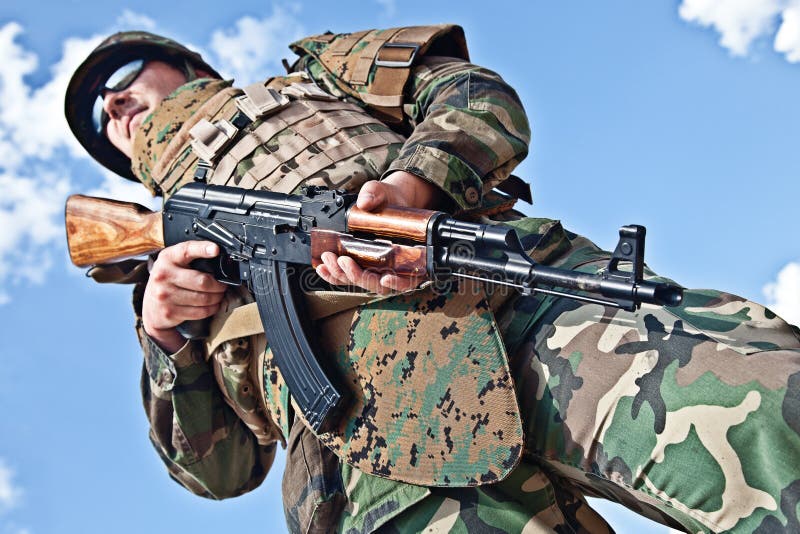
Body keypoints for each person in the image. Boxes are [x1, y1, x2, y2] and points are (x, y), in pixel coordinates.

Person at [65, 27, 800, 533]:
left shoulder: (314, 76)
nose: (114, 106)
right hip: (359, 451)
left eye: (122, 79)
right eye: (102, 117)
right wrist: (168, 338)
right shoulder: (155, 267)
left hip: (519, 303)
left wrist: (417, 183)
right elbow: (218, 473)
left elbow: (476, 94)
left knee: (768, 417)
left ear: (188, 67)